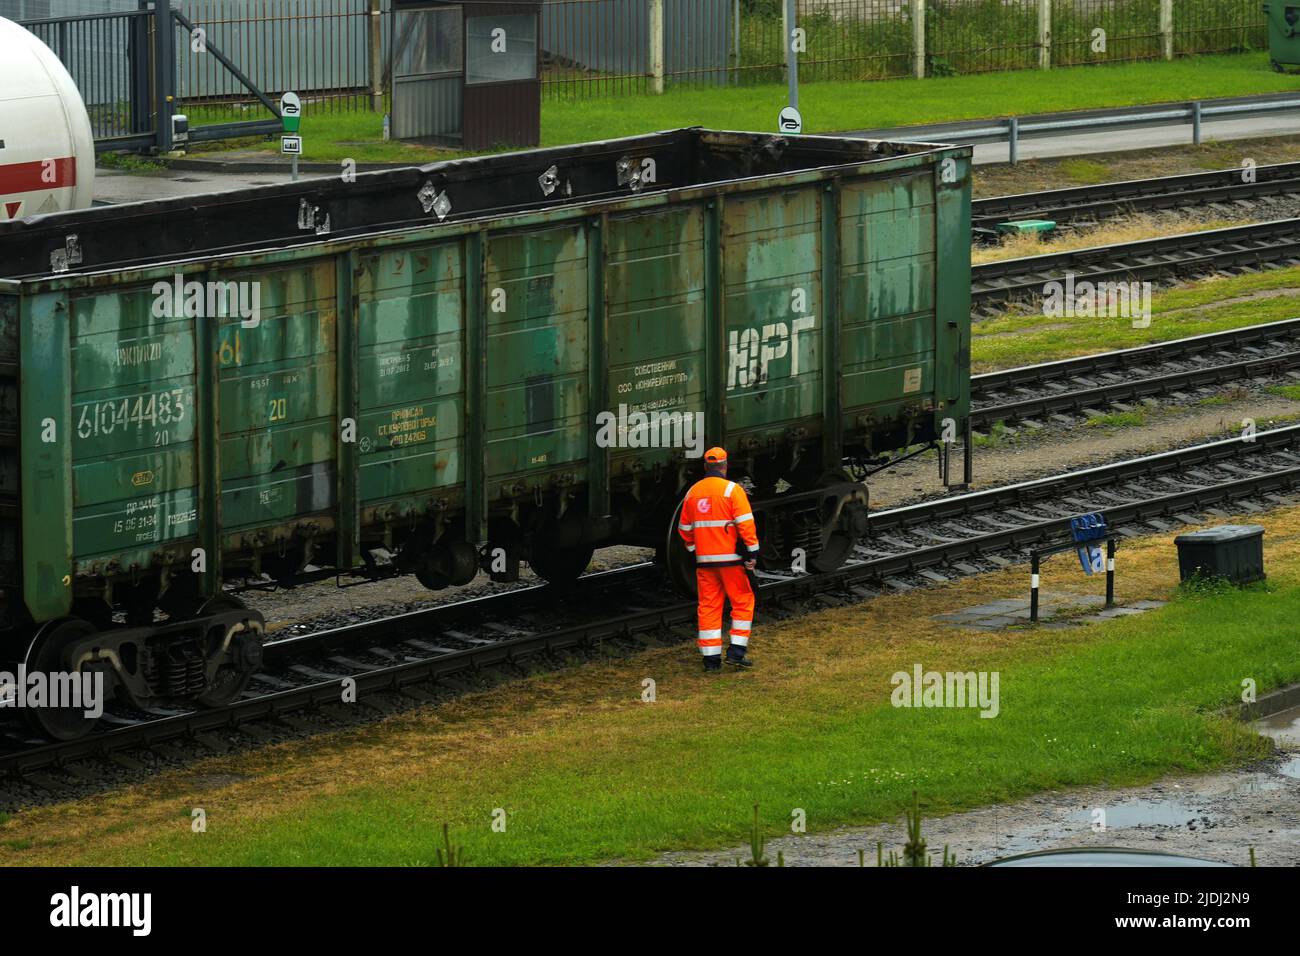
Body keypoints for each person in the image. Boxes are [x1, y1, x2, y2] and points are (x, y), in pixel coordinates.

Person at [677, 447, 759, 671]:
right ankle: (736, 652)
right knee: (742, 602)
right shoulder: (733, 490)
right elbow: (745, 524)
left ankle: (711, 660)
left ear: (705, 467)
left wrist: (694, 547)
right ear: (725, 466)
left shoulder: (692, 492)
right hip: (732, 561)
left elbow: (684, 528)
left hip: (705, 563)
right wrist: (752, 553)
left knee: (709, 607)